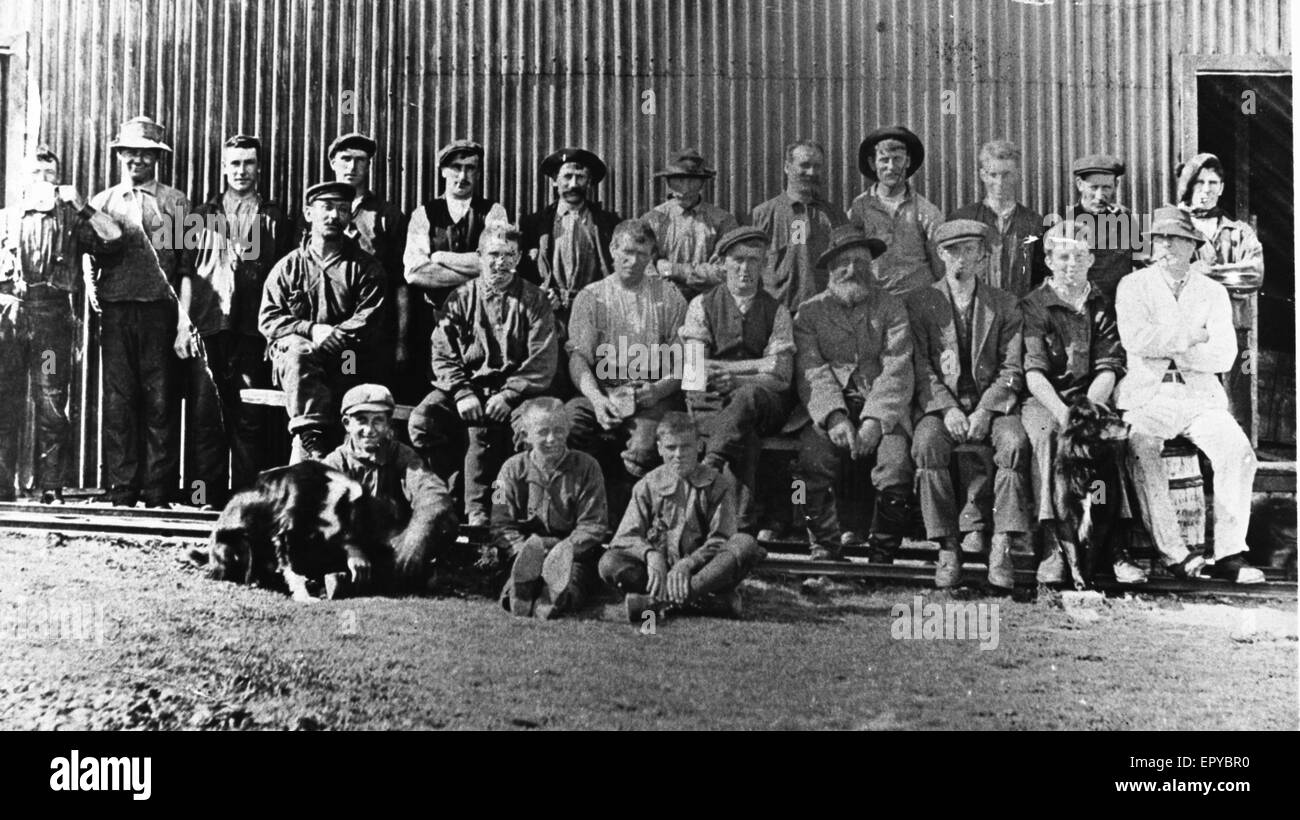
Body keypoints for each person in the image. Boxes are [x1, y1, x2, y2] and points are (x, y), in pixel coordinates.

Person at [1115, 206, 1263, 584]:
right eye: (1160, 239)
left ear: (1192, 245)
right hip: (1149, 394)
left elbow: (1224, 354)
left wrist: (1170, 345)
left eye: (1176, 239)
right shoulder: (1133, 285)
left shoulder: (1211, 292)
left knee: (1239, 453)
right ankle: (1175, 554)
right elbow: (1136, 339)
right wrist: (1190, 337)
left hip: (1199, 395)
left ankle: (1230, 552)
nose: (1166, 246)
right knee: (1140, 446)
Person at [907, 219, 1031, 591]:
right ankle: (947, 546)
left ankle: (1002, 546)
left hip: (991, 407)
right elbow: (920, 365)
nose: (961, 259)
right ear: (940, 255)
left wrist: (985, 410)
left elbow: (1012, 369)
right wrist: (947, 408)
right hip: (942, 407)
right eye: (952, 251)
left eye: (970, 251)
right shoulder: (920, 302)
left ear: (983, 256)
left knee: (1015, 445)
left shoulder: (1005, 304)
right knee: (927, 445)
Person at [407, 222, 558, 527]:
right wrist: (462, 392)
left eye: (508, 255)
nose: (500, 262)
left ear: (517, 259)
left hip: (517, 394)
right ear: (479, 256)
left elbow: (543, 359)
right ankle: (448, 498)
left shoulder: (534, 300)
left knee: (535, 430)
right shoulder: (461, 297)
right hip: (468, 391)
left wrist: (510, 393)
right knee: (423, 421)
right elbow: (443, 353)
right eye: (493, 254)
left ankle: (519, 511)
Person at [1019, 221, 1142, 585]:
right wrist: (1065, 415)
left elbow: (1109, 365)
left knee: (1112, 444)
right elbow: (1033, 372)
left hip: (1092, 399)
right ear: (1049, 260)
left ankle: (1114, 543)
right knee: (1047, 439)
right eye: (1063, 256)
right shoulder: (1035, 305)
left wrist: (1088, 410)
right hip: (1047, 401)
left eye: (1079, 256)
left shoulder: (1101, 303)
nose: (1071, 263)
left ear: (1090, 258)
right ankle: (1056, 544)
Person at [0, 145, 123, 502]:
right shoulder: (5, 219)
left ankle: (50, 488)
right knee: (4, 400)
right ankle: (3, 489)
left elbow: (114, 239)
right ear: (23, 181)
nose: (42, 181)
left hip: (51, 318)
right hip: (9, 318)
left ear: (59, 182)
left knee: (52, 403)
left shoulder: (72, 223)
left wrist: (82, 204)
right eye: (35, 174)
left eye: (49, 175)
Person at [793, 225, 915, 562]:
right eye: (843, 263)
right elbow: (812, 370)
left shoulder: (891, 307)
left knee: (896, 464)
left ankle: (883, 552)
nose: (852, 270)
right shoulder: (809, 312)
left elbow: (898, 367)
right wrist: (834, 416)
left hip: (881, 406)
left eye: (861, 262)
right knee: (810, 462)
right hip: (829, 406)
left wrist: (875, 420)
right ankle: (824, 546)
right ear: (830, 269)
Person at [180, 134, 292, 503]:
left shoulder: (275, 216)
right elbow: (184, 272)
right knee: (205, 415)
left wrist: (277, 335)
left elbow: (287, 277)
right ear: (223, 167)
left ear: (258, 168)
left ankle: (246, 503)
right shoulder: (200, 214)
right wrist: (183, 324)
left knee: (250, 417)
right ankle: (203, 499)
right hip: (208, 326)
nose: (241, 170)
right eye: (234, 163)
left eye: (248, 163)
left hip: (253, 331)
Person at [88, 116, 193, 508]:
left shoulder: (176, 202)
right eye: (130, 153)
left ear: (157, 158)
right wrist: (90, 288)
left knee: (161, 401)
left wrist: (184, 324)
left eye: (145, 154)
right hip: (116, 313)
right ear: (120, 156)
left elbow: (186, 267)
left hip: (160, 314)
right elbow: (88, 255)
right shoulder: (103, 202)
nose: (137, 160)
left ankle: (157, 491)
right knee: (119, 401)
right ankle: (122, 489)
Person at [564, 220, 688, 517]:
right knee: (568, 425)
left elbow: (690, 361)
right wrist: (596, 400)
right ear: (613, 250)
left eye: (643, 255)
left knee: (644, 448)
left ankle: (629, 522)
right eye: (628, 252)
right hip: (603, 391)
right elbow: (578, 357)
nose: (634, 261)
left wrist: (658, 390)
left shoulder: (668, 296)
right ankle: (579, 516)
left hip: (651, 395)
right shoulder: (591, 296)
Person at [678, 226, 796, 535]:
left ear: (762, 266)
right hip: (711, 402)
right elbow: (693, 371)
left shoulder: (777, 311)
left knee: (748, 398)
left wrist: (733, 374)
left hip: (764, 404)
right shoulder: (701, 305)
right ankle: (740, 529)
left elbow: (781, 375)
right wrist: (757, 367)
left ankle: (710, 467)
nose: (745, 269)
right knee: (745, 437)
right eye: (737, 260)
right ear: (723, 263)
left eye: (754, 261)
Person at [258, 181, 387, 461]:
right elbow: (268, 319)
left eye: (342, 209)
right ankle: (311, 442)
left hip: (347, 358)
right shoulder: (287, 268)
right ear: (308, 213)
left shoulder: (366, 268)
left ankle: (334, 455)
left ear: (350, 216)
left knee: (351, 369)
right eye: (326, 208)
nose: (333, 216)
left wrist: (332, 338)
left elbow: (370, 319)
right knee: (296, 349)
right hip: (298, 366)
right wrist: (311, 330)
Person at [599, 412, 763, 622]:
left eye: (685, 447)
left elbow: (721, 538)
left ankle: (658, 602)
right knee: (608, 562)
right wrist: (651, 555)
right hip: (659, 570)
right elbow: (624, 537)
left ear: (698, 446)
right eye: (670, 448)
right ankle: (710, 604)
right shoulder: (647, 485)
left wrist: (688, 564)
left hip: (700, 571)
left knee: (745, 543)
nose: (678, 454)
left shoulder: (717, 484)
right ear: (659, 448)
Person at [322, 384, 459, 590]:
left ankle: (375, 578)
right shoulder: (335, 462)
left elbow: (433, 495)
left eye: (378, 420)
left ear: (388, 425)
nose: (369, 430)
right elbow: (322, 513)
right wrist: (350, 548)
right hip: (350, 542)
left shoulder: (401, 455)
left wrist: (414, 539)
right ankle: (404, 577)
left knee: (445, 521)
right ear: (347, 424)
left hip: (393, 543)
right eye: (361, 421)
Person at [402, 139, 509, 400]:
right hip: (434, 320)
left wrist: (440, 256)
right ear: (442, 171)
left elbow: (499, 264)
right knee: (436, 394)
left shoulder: (494, 212)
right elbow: (414, 272)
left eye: (470, 168)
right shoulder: (424, 214)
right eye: (456, 167)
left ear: (479, 173)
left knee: (480, 390)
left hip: (482, 322)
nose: (462, 176)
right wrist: (477, 266)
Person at [492, 397, 608, 619]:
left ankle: (555, 599)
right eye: (543, 432)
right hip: (525, 551)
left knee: (571, 582)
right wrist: (521, 550)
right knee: (516, 577)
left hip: (571, 553)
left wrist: (562, 551)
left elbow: (594, 524)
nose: (552, 439)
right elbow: (500, 522)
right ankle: (519, 594)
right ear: (526, 435)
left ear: (568, 429)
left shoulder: (588, 467)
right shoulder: (508, 470)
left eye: (559, 430)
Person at [1175, 152, 1265, 431]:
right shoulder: (1172, 228)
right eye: (1199, 182)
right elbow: (1165, 276)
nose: (1206, 190)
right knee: (1191, 413)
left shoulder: (1238, 232)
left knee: (1234, 412)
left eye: (1213, 183)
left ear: (1222, 188)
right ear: (1188, 187)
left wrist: (1206, 274)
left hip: (1231, 331)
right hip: (1188, 334)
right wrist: (1225, 275)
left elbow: (1253, 275)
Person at [326, 132, 408, 384]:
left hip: (373, 335)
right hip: (327, 334)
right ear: (333, 163)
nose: (352, 166)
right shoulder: (316, 213)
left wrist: (401, 343)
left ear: (369, 165)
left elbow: (401, 286)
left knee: (366, 402)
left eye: (360, 160)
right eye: (345, 159)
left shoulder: (387, 215)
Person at [518, 147, 621, 329]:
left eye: (580, 177)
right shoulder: (532, 224)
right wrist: (539, 295)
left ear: (589, 182)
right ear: (554, 181)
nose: (573, 184)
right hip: (548, 318)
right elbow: (521, 276)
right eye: (567, 176)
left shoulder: (609, 224)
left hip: (596, 317)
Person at [751, 140, 848, 313]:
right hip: (777, 314)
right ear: (787, 167)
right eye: (804, 165)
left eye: (817, 166)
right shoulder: (764, 214)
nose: (811, 172)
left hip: (824, 313)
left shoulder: (835, 215)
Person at [849, 125, 944, 296]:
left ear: (907, 161)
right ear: (873, 163)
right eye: (884, 160)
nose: (891, 167)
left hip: (918, 299)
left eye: (897, 159)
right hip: (876, 301)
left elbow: (940, 265)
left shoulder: (926, 210)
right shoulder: (859, 207)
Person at [640, 148, 739, 301]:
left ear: (702, 183)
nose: (685, 189)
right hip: (662, 302)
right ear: (667, 182)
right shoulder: (652, 220)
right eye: (678, 180)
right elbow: (643, 265)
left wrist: (675, 270)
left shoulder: (723, 221)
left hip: (709, 303)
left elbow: (726, 270)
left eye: (692, 180)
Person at [948, 139, 1043, 297]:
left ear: (1017, 174)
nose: (999, 182)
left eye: (1006, 175)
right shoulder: (962, 219)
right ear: (983, 175)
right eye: (993, 175)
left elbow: (1041, 278)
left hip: (1018, 314)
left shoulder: (1035, 223)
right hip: (975, 313)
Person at [1036, 154, 1135, 302]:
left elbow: (1142, 262)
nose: (1100, 195)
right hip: (1078, 309)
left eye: (1106, 187)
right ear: (1080, 184)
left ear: (1116, 185)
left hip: (1117, 310)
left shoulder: (1125, 217)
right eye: (1094, 187)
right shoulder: (1061, 223)